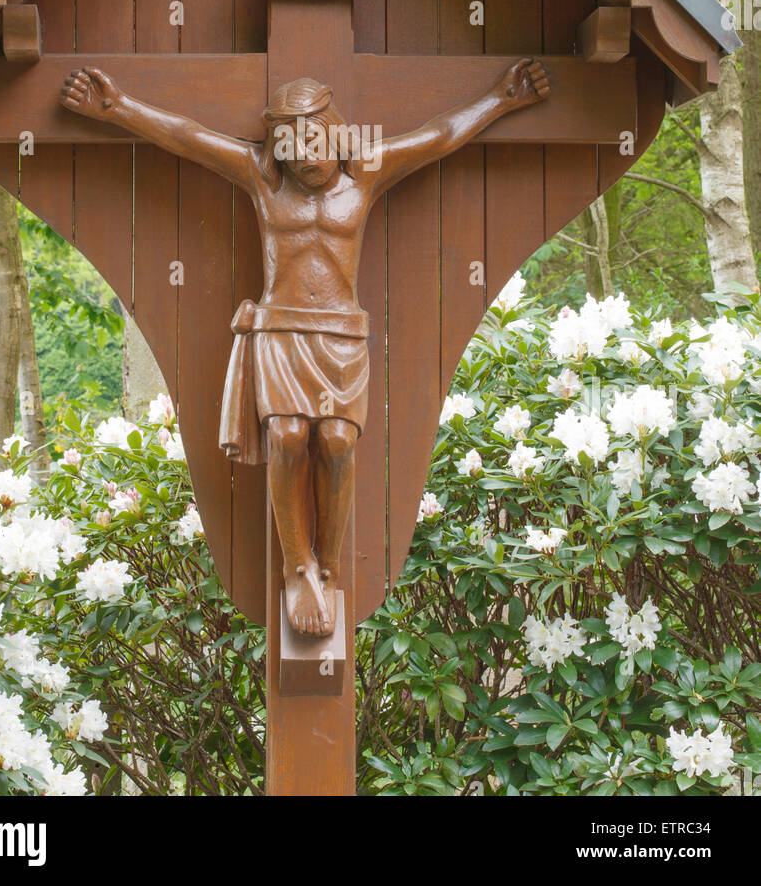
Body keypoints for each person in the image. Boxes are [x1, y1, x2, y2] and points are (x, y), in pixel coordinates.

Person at [61, 57, 550, 634]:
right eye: (293, 150)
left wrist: (501, 99)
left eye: (316, 147)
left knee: (339, 442)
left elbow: (437, 138)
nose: (308, 162)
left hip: (341, 335)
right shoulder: (261, 175)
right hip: (279, 330)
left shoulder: (366, 170)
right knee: (289, 436)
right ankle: (300, 571)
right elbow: (188, 138)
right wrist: (115, 107)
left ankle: (330, 568)